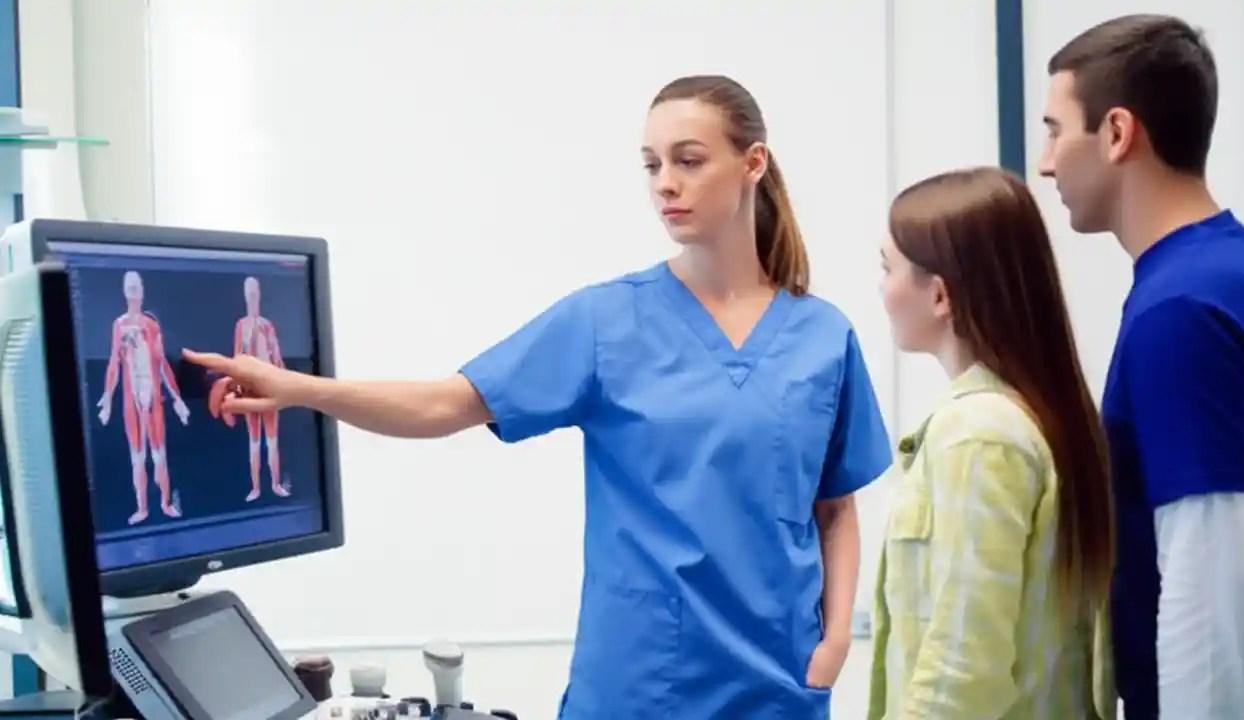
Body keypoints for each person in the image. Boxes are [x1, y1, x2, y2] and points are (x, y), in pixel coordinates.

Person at [183, 74, 893, 718]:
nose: (665, 184)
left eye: (688, 160)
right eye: (651, 165)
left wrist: (832, 645)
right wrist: (298, 389)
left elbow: (834, 510)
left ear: (753, 163)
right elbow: (444, 405)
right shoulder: (606, 322)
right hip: (642, 684)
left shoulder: (821, 337)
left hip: (775, 685)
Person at [1039, 14, 1244, 719]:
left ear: (1117, 133)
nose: (1046, 160)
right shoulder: (1225, 273)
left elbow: (1207, 578)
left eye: (1056, 129)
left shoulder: (1182, 311)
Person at [866, 166, 1114, 719]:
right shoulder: (1028, 419)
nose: (881, 290)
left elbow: (964, 670)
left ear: (939, 295)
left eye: (888, 269)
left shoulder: (976, 436)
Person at [98, 270, 191, 525]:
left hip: (152, 393)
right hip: (132, 397)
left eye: (136, 285)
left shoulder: (151, 326)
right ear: (124, 290)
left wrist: (177, 399)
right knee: (137, 455)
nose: (132, 289)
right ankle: (142, 508)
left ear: (142, 290)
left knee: (159, 453)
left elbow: (162, 364)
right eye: (129, 285)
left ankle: (165, 503)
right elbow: (114, 363)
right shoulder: (119, 325)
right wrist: (107, 397)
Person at [233, 276, 289, 501]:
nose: (252, 296)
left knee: (272, 438)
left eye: (255, 291)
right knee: (254, 438)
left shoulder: (267, 325)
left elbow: (277, 355)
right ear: (245, 296)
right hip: (249, 388)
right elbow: (236, 358)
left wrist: (286, 384)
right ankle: (256, 487)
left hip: (269, 388)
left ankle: (275, 483)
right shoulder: (241, 325)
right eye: (249, 292)